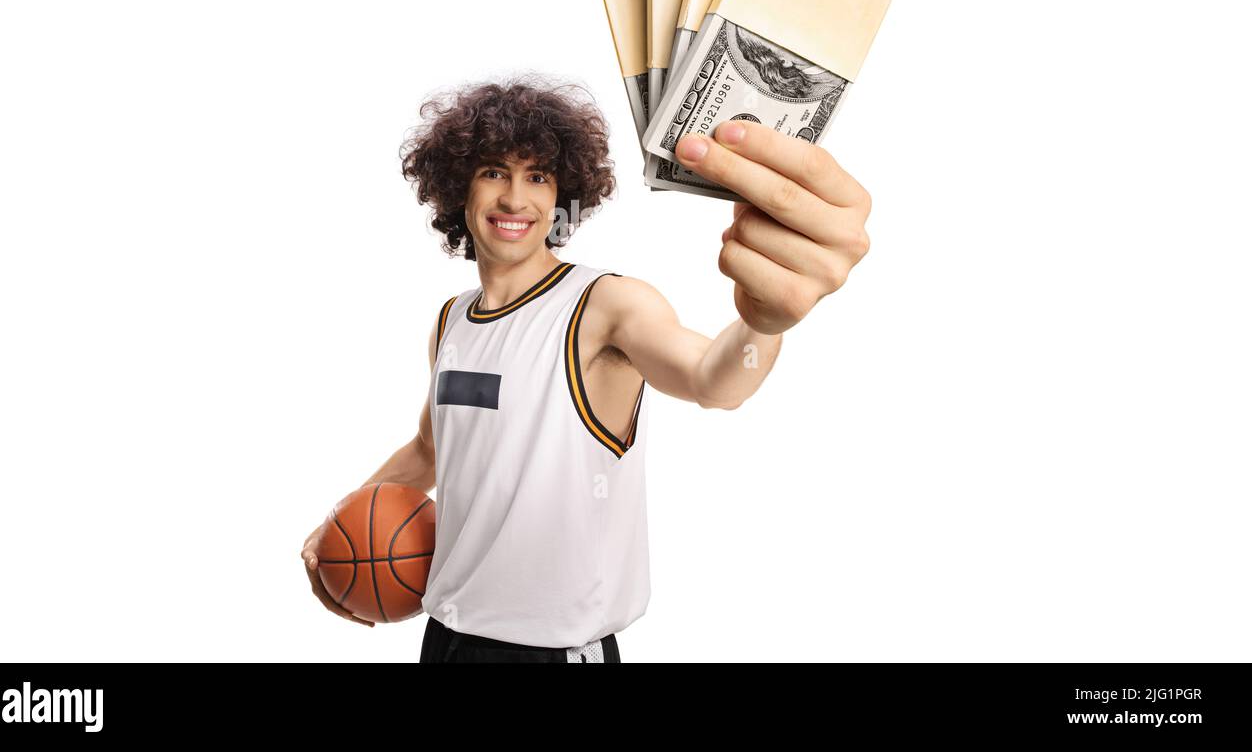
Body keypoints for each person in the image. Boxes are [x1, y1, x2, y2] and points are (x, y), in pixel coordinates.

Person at [301, 79, 871, 662]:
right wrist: (339, 526)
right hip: (446, 635)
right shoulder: (452, 320)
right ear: (459, 186)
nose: (516, 199)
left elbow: (714, 381)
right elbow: (429, 449)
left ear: (563, 193)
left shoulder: (605, 305)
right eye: (494, 172)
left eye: (538, 176)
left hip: (552, 651)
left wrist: (762, 326)